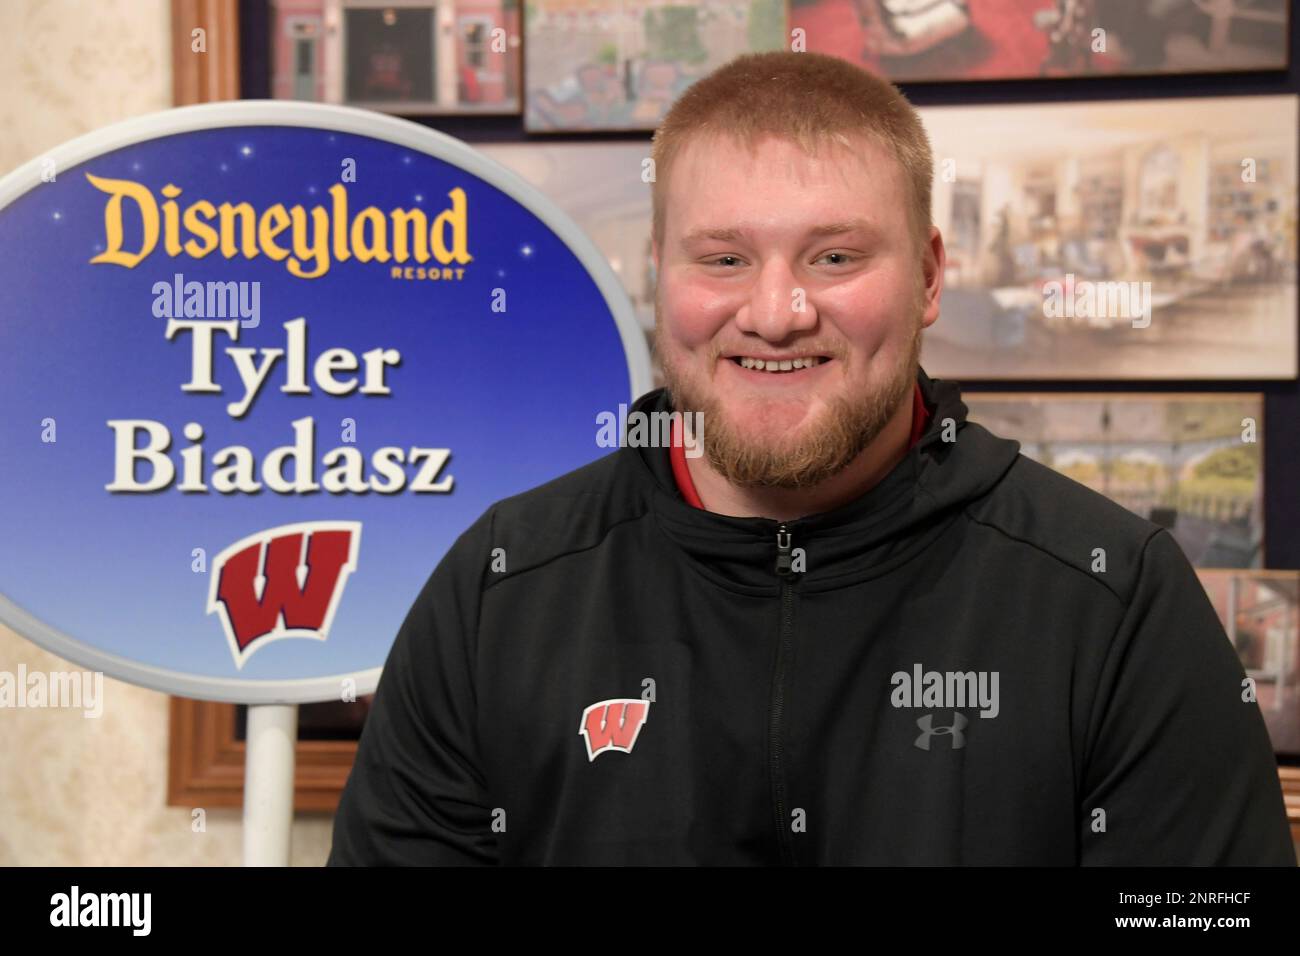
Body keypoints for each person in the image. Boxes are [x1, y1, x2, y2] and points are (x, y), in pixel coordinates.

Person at [327, 51, 1295, 865]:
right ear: (660, 275)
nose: (777, 312)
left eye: (834, 257)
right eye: (723, 259)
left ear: (926, 277)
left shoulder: (1110, 598)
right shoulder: (500, 587)